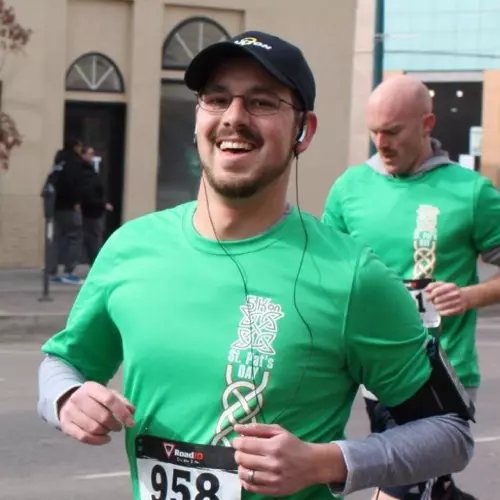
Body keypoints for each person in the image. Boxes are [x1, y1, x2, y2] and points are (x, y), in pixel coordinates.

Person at [38, 32, 474, 500]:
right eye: (217, 99)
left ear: (303, 131)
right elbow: (63, 362)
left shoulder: (351, 274)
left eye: (262, 103)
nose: (233, 118)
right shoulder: (130, 248)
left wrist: (326, 461)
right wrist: (65, 397)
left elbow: (451, 433)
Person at [322, 74, 500, 500]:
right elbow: (325, 275)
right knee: (429, 489)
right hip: (374, 372)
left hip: (440, 374)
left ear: (427, 123)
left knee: (397, 493)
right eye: (374, 131)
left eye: (393, 131)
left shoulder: (471, 191)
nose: (380, 143)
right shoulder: (349, 189)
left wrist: (469, 295)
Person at [47, 138, 86, 285]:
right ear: (75, 146)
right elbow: (74, 184)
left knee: (56, 239)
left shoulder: (58, 162)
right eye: (80, 146)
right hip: (69, 206)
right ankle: (69, 272)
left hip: (55, 206)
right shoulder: (74, 162)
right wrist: (76, 201)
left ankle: (52, 271)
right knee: (74, 237)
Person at [80, 146, 113, 266]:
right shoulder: (85, 171)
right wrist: (102, 203)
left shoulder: (90, 170)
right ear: (83, 155)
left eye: (93, 154)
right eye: (90, 154)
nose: (92, 156)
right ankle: (96, 263)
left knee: (95, 237)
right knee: (93, 238)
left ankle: (96, 262)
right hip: (91, 211)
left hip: (95, 210)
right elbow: (89, 193)